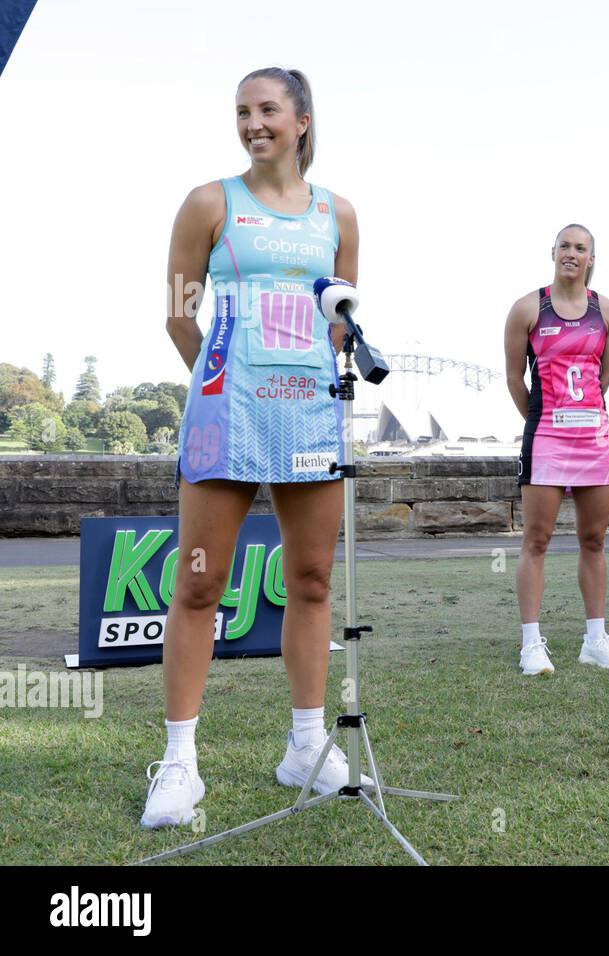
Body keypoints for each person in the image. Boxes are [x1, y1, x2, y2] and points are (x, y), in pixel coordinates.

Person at [144, 68, 364, 829]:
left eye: (267, 109)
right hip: (223, 417)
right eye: (242, 111)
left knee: (309, 580)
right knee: (199, 584)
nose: (252, 123)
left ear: (302, 119)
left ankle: (305, 746)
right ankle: (179, 764)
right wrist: (220, 382)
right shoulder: (210, 203)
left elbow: (341, 320)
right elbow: (179, 316)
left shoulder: (339, 214)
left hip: (308, 416)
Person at [505, 224, 609, 676]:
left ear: (591, 258)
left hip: (594, 439)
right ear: (552, 253)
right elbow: (515, 379)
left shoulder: (608, 311)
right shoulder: (526, 309)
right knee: (536, 541)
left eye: (581, 248)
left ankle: (595, 640)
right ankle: (531, 645)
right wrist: (540, 422)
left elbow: (604, 379)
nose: (571, 254)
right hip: (547, 438)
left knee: (593, 541)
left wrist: (582, 418)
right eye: (565, 246)